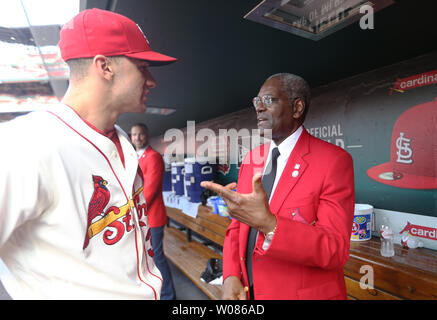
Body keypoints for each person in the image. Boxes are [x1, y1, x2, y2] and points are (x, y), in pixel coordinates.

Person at [0, 8, 177, 299]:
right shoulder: (25, 144)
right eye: (142, 67)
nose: (151, 80)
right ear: (105, 67)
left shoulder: (121, 139)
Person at [201, 73, 355, 300]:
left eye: (269, 100)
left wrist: (270, 225)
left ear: (297, 108)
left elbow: (335, 250)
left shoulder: (334, 161)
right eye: (257, 101)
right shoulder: (251, 159)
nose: (259, 108)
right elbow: (237, 227)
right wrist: (231, 275)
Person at [130, 123, 176, 300]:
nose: (137, 138)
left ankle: (169, 296)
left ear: (147, 135)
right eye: (134, 135)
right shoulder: (134, 156)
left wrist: (131, 209)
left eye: (141, 134)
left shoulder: (154, 157)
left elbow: (150, 190)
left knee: (157, 258)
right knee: (145, 258)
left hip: (152, 217)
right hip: (140, 216)